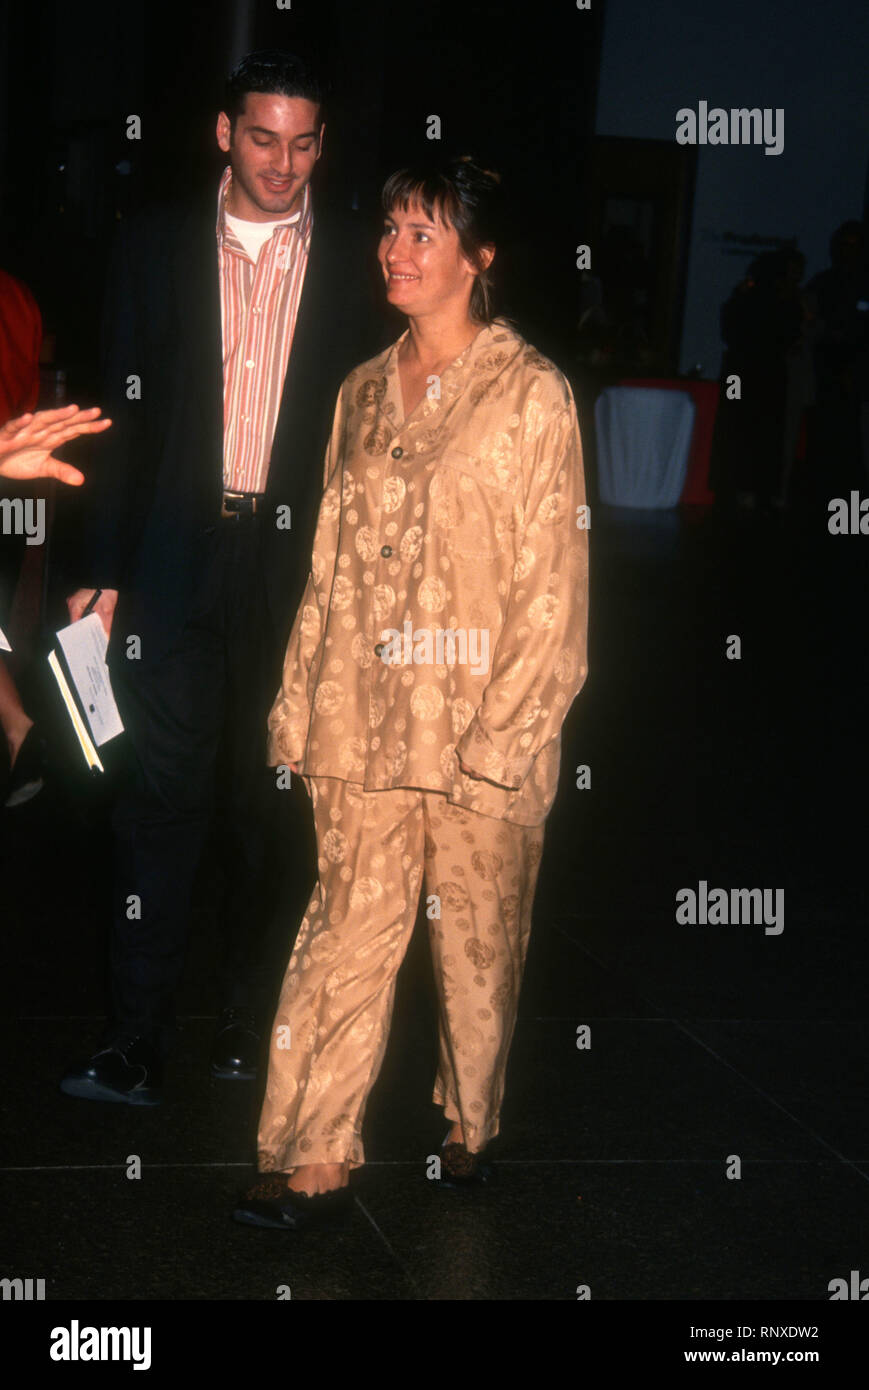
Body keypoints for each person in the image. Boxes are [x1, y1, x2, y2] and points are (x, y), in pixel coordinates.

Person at [233, 156, 589, 1231]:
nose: (395, 249)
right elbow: (327, 569)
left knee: (476, 939)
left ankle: (467, 1121)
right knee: (346, 926)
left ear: (478, 259)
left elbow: (551, 587)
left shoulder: (532, 395)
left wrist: (506, 734)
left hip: (483, 727)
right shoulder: (354, 391)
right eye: (389, 229)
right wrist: (295, 700)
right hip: (359, 717)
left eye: (423, 233)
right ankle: (311, 1151)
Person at [59, 50, 379, 1106]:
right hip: (169, 554)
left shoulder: (354, 264)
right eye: (261, 138)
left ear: (320, 146)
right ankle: (135, 1040)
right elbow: (114, 413)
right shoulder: (151, 244)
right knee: (157, 798)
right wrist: (97, 573)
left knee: (270, 800)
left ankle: (249, 1021)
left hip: (296, 567)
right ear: (221, 134)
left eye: (301, 144)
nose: (281, 165)